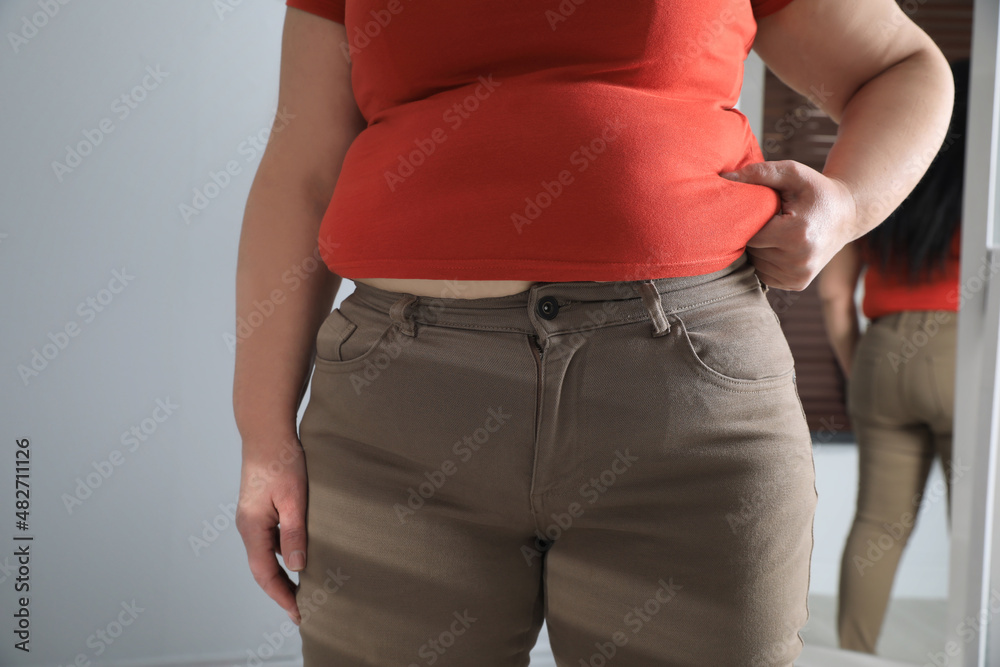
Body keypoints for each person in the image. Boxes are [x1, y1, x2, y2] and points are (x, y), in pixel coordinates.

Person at [231, 0, 954, 664]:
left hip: (687, 403)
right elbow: (303, 169)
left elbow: (900, 67)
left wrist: (846, 206)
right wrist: (263, 439)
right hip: (397, 418)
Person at [817, 57, 967, 656]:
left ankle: (852, 656)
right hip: (966, 356)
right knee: (977, 528)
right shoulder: (985, 186)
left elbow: (833, 294)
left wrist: (861, 368)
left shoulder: (887, 178)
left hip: (882, 353)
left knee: (878, 523)